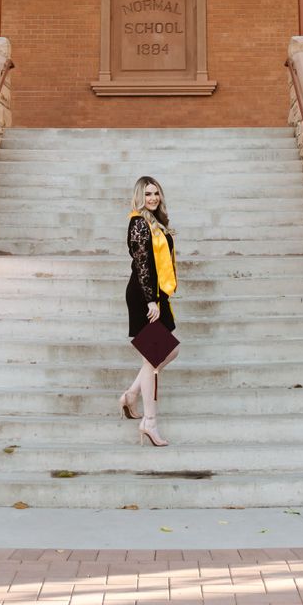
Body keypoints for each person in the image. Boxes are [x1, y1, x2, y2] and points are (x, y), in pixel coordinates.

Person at [119, 175, 178, 446]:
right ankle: (149, 423)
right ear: (139, 197)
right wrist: (151, 301)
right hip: (145, 296)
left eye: (156, 193)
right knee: (152, 361)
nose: (153, 198)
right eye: (148, 194)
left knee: (170, 351)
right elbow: (143, 265)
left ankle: (131, 395)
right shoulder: (139, 223)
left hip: (156, 294)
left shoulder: (154, 222)